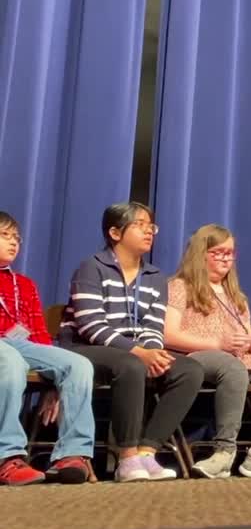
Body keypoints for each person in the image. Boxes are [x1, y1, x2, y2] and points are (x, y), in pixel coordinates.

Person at [60, 202, 202, 482]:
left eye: (151, 226)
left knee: (189, 370)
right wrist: (139, 352)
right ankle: (126, 457)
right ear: (115, 233)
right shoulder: (91, 267)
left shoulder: (155, 277)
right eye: (140, 225)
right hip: (86, 347)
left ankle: (147, 452)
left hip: (135, 350)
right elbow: (91, 326)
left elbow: (154, 324)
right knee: (131, 365)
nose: (149, 231)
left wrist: (152, 352)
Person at [163, 224, 251, 478]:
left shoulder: (236, 295)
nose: (225, 259)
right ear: (200, 254)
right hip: (195, 357)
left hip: (237, 359)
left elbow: (241, 337)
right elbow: (169, 335)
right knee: (232, 367)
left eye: (230, 253)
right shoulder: (179, 287)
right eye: (218, 253)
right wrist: (218, 344)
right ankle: (224, 452)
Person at [0, 211, 95, 485]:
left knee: (78, 364)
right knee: (11, 360)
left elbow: (39, 334)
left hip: (20, 345)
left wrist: (53, 381)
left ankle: (72, 454)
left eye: (17, 238)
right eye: (5, 235)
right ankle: (7, 456)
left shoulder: (24, 285)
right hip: (6, 349)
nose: (14, 242)